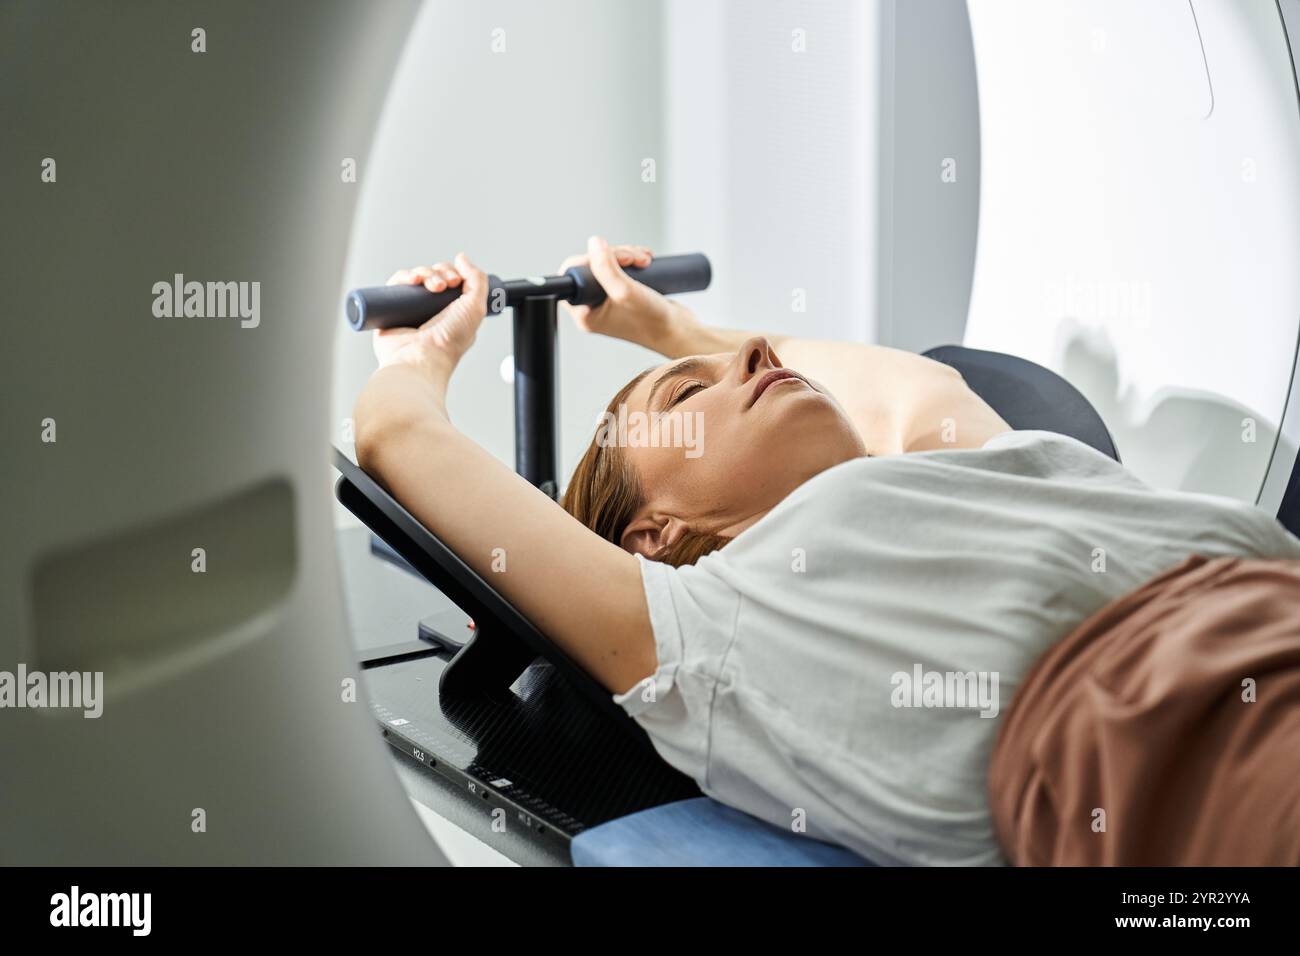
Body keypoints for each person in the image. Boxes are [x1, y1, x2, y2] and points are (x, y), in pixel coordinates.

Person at [353, 237, 1300, 864]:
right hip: (1219, 756)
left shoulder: (976, 468)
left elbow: (907, 390)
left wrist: (671, 330)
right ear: (656, 534)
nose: (758, 354)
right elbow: (403, 442)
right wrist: (421, 359)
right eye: (689, 399)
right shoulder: (712, 620)